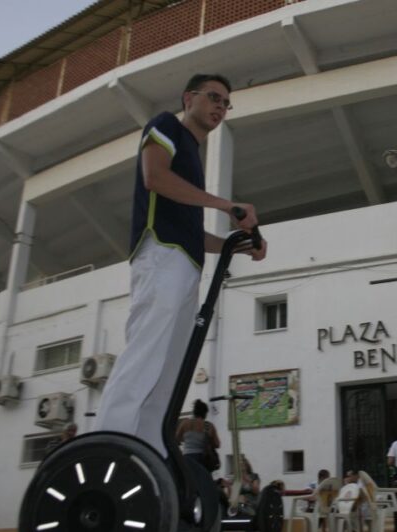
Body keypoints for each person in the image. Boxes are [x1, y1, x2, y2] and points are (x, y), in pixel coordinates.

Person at [93, 73, 267, 457]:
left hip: (185, 262)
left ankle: (147, 450)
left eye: (226, 103)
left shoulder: (192, 159)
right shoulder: (165, 125)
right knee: (147, 352)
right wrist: (226, 205)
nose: (220, 107)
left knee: (169, 369)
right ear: (189, 98)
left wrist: (235, 246)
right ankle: (107, 444)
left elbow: (191, 231)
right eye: (214, 98)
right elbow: (154, 178)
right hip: (161, 255)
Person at [176, 399, 220, 470]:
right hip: (204, 459)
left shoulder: (185, 423)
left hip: (188, 458)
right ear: (205, 413)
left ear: (194, 412)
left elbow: (175, 439)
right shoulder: (209, 426)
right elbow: (217, 444)